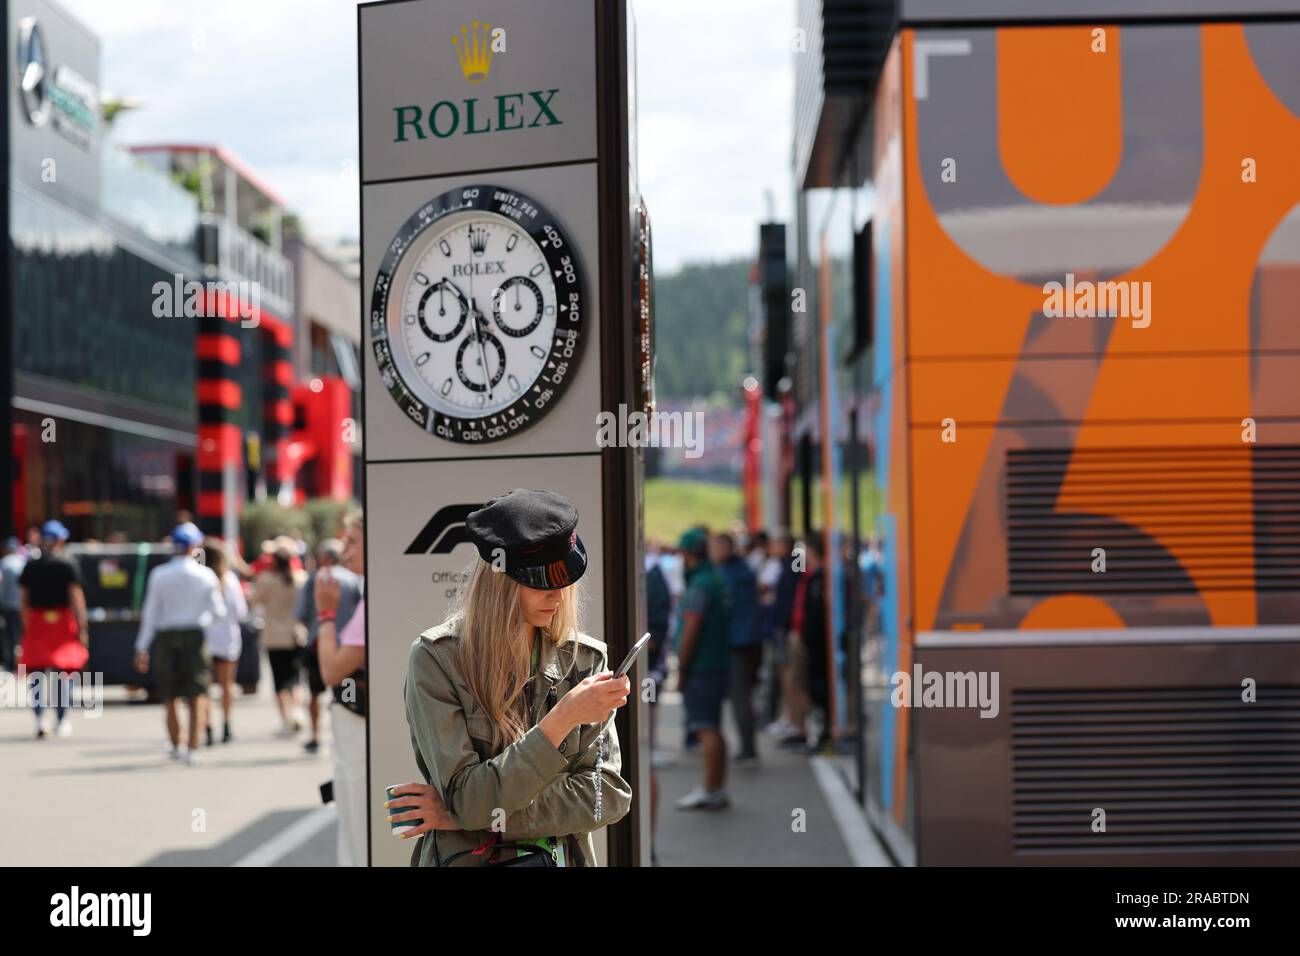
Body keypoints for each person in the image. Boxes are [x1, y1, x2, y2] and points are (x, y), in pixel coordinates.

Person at [387, 488, 632, 867]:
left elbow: (608, 796)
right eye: (541, 581)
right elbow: (470, 801)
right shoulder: (436, 660)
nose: (558, 593)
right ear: (499, 583)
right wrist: (563, 718)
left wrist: (469, 816)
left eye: (565, 578)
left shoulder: (584, 659)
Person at [134, 523, 225, 764]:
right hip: (194, 637)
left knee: (170, 695)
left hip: (166, 638)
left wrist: (141, 647)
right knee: (198, 694)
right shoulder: (206, 575)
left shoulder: (160, 575)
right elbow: (218, 611)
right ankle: (193, 747)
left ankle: (176, 743)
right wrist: (201, 622)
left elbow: (150, 613)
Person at [313, 512, 369, 866]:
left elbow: (332, 670)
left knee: (357, 826)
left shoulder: (374, 598)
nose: (343, 551)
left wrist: (326, 614)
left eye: (351, 541)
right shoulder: (370, 594)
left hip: (360, 727)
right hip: (354, 726)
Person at [674, 526, 733, 810]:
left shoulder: (699, 585)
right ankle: (716, 787)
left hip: (701, 666)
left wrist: (682, 669)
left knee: (705, 728)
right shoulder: (716, 579)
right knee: (714, 727)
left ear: (687, 554)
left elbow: (691, 627)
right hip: (718, 663)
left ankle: (710, 789)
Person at [18, 521, 89, 738]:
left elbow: (24, 601)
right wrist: (82, 627)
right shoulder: (68, 564)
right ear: (60, 540)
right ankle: (62, 719)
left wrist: (26, 627)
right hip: (62, 621)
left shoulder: (31, 565)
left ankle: (40, 719)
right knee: (63, 673)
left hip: (37, 622)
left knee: (36, 673)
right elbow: (76, 598)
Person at [295, 537, 362, 754]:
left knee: (314, 692)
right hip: (348, 647)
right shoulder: (353, 580)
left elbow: (301, 613)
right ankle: (340, 736)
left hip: (320, 644)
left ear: (323, 557)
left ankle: (315, 734)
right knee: (345, 695)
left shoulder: (315, 579)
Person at [712, 532, 762, 765]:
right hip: (751, 640)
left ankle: (748, 748)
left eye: (715, 547)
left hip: (736, 643)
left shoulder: (726, 575)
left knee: (740, 698)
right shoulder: (745, 570)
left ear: (726, 548)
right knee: (745, 696)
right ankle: (748, 745)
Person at [250, 546, 308, 735]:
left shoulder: (267, 580)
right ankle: (297, 711)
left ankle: (285, 719)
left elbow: (254, 600)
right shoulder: (301, 579)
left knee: (279, 680)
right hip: (295, 634)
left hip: (274, 636)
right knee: (295, 677)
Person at [202, 541, 247, 745]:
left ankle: (208, 726)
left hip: (205, 639)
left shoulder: (201, 579)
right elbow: (241, 611)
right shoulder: (230, 580)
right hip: (228, 639)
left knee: (206, 687)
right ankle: (227, 724)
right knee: (227, 685)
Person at [1, 537, 28, 672]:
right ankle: (23, 664)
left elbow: (2, 587)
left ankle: (13, 664)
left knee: (12, 636)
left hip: (9, 606)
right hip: (24, 605)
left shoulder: (4, 563)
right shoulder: (23, 562)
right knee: (23, 635)